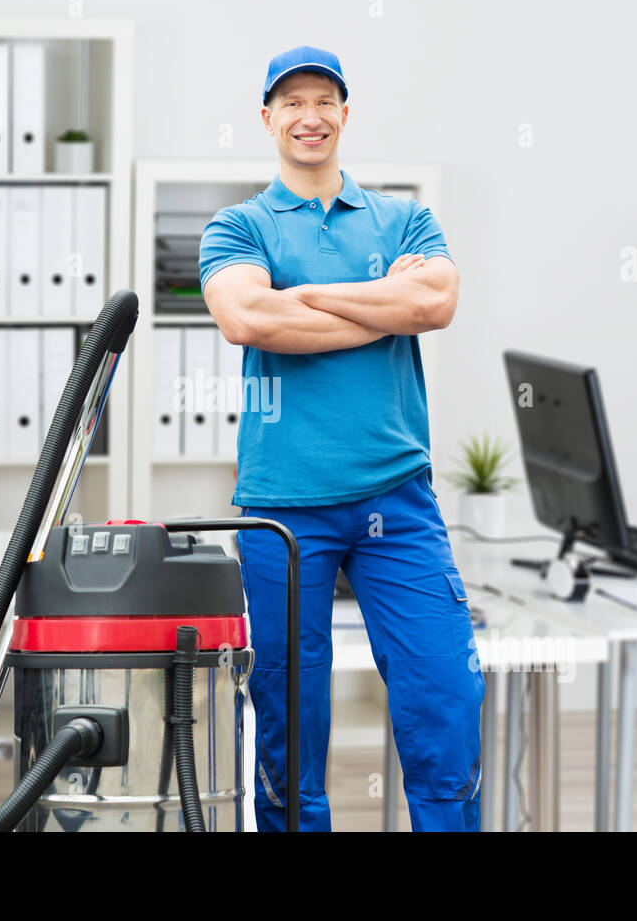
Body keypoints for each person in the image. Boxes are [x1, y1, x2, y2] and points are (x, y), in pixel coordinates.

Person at [198, 45, 484, 831]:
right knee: (290, 719)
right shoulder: (238, 224)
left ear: (345, 114)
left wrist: (311, 295)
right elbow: (249, 318)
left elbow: (434, 304)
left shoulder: (405, 217)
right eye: (291, 103)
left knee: (445, 696)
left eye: (324, 100)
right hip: (283, 510)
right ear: (267, 118)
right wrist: (379, 298)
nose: (309, 116)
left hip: (400, 500)